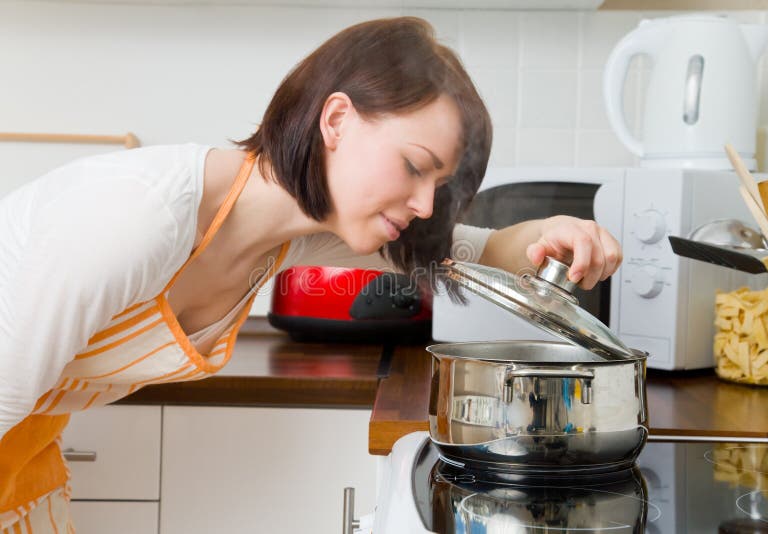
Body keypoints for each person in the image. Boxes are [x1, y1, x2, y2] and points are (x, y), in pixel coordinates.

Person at [0, 16, 621, 532]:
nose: (427, 204)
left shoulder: (287, 234)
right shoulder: (140, 218)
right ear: (337, 120)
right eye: (414, 166)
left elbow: (479, 249)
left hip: (22, 468)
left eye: (439, 183)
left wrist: (554, 235)